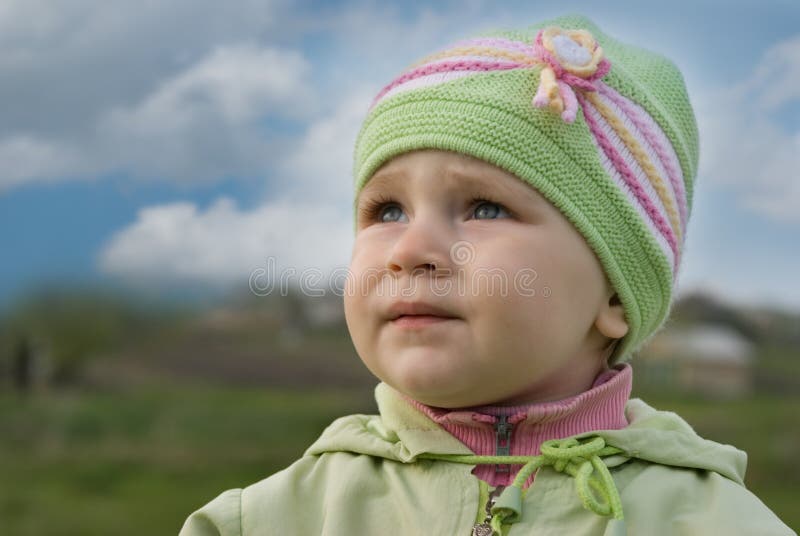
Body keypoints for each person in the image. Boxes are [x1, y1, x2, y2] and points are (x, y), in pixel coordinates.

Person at [179, 13, 794, 535]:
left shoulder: (714, 521)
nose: (410, 249)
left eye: (485, 207)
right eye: (387, 210)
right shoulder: (272, 520)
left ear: (615, 291)